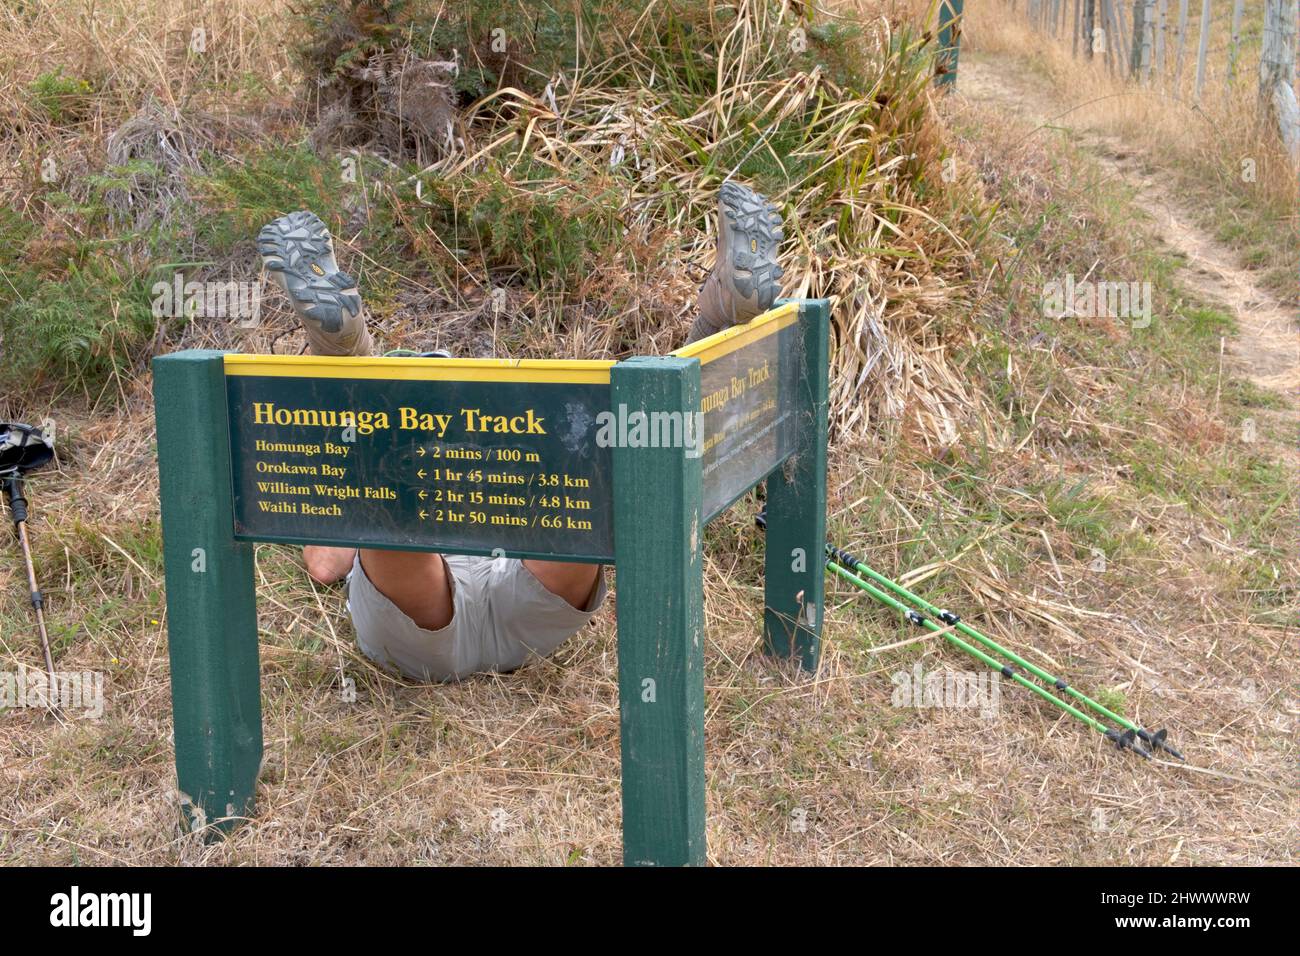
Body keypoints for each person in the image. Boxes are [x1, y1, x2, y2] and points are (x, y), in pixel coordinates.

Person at [256, 182, 784, 681]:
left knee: (394, 504)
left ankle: (351, 360)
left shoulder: (459, 456)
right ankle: (715, 318)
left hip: (421, 631)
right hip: (525, 618)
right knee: (610, 468)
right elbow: (327, 563)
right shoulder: (483, 449)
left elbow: (326, 564)